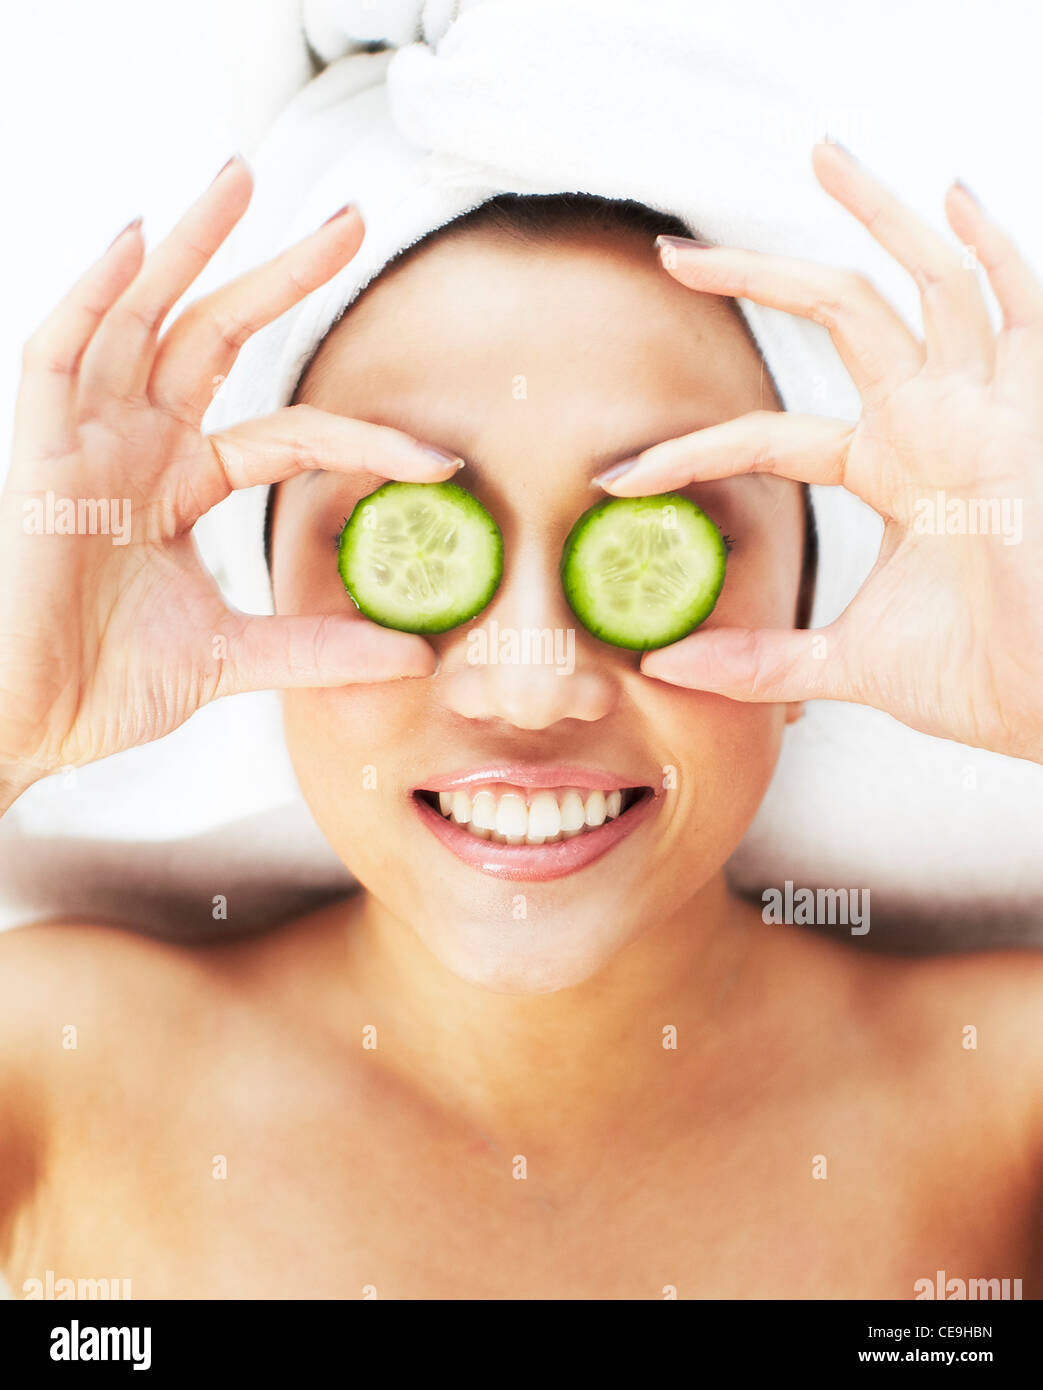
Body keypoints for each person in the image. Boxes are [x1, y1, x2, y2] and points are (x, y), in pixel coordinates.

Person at [0, 143, 1040, 1299]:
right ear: (262, 588)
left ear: (811, 609)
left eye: (663, 536)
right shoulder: (49, 1060)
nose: (532, 683)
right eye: (397, 535)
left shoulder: (1007, 1096)